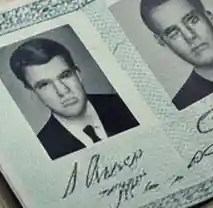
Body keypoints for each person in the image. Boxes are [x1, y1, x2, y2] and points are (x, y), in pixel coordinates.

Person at [8, 36, 139, 159]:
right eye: (44, 84)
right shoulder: (43, 149)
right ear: (33, 91)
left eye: (65, 75)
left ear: (78, 74)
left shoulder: (127, 104)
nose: (62, 91)